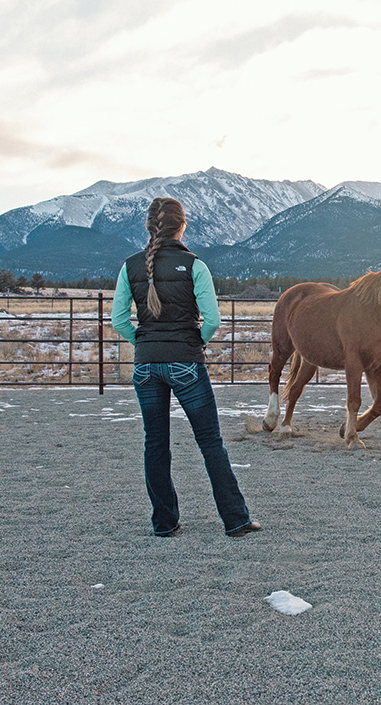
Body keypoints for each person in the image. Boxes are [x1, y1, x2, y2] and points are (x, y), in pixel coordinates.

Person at [111, 196, 261, 538]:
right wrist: (197, 343)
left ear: (149, 227)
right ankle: (235, 519)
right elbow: (213, 320)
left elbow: (119, 320)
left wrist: (142, 343)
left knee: (155, 442)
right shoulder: (195, 266)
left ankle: (164, 523)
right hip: (186, 363)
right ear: (182, 226)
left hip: (146, 366)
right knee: (210, 441)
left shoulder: (130, 267)